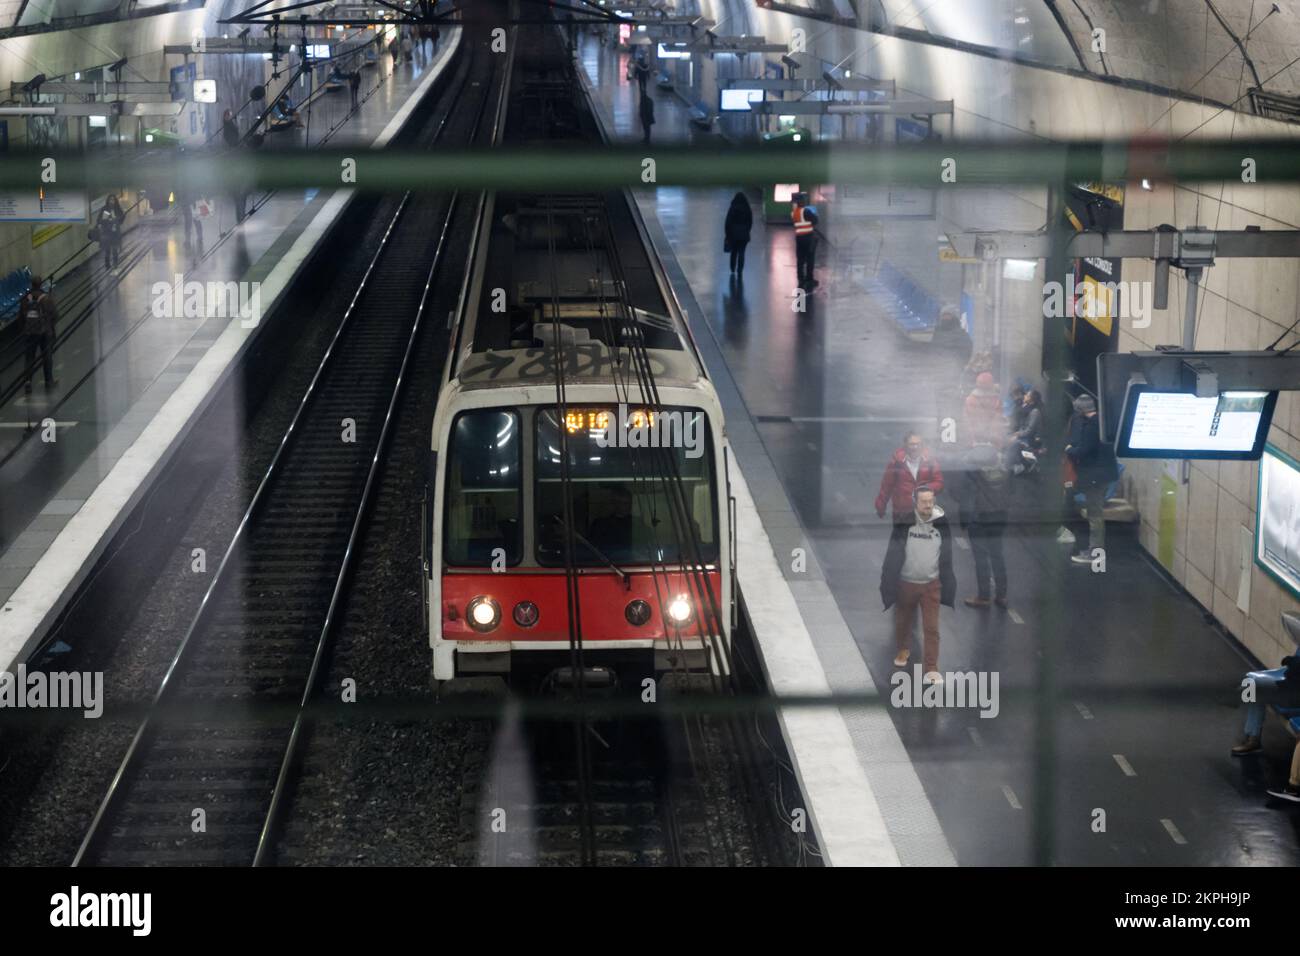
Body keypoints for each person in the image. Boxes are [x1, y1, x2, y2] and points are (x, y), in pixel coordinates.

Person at [880, 486, 956, 683]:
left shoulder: (941, 524)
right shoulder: (905, 522)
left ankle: (931, 667)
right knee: (903, 621)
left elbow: (947, 554)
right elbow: (892, 553)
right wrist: (888, 581)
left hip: (931, 584)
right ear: (915, 501)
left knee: (931, 627)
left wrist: (946, 580)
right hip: (906, 582)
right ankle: (903, 649)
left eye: (931, 501)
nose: (928, 505)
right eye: (924, 501)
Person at [1064, 394, 1117, 565]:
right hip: (1102, 475)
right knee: (1095, 515)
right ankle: (1096, 550)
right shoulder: (1102, 423)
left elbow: (1083, 451)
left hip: (1095, 477)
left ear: (1079, 410)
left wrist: (1070, 449)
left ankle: (1096, 554)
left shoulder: (1091, 426)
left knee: (1095, 515)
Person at [963, 444, 1010, 608]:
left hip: (979, 518)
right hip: (999, 517)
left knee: (981, 557)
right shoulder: (1005, 472)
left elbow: (964, 494)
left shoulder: (974, 474)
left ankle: (984, 596)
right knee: (998, 555)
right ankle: (1002, 595)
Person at [875, 432, 945, 521]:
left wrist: (926, 488)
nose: (915, 447)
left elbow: (939, 482)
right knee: (900, 535)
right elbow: (886, 486)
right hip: (902, 512)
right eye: (912, 444)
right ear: (905, 445)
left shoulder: (930, 461)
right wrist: (880, 506)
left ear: (922, 445)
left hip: (924, 511)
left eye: (918, 444)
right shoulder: (896, 463)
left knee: (923, 535)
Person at [19, 275, 58, 392]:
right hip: (44, 333)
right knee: (47, 356)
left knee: (29, 358)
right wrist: (50, 327)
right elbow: (55, 315)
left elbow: (21, 317)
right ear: (41, 284)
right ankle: (49, 381)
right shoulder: (46, 298)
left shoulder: (26, 298)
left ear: (32, 284)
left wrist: (25, 330)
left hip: (30, 333)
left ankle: (28, 382)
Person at [962, 371, 1005, 448]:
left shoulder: (970, 400)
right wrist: (996, 442)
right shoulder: (996, 400)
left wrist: (971, 441)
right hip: (991, 444)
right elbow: (997, 425)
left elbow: (967, 422)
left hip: (973, 442)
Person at [221, 110, 249, 224]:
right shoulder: (228, 129)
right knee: (239, 198)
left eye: (230, 115)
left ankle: (241, 217)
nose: (230, 116)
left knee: (241, 197)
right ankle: (240, 218)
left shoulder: (231, 126)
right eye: (228, 115)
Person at [791, 191, 818, 288]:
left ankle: (800, 278)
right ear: (802, 202)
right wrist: (814, 214)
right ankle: (809, 279)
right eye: (804, 200)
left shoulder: (793, 213)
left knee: (800, 259)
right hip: (808, 238)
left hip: (799, 238)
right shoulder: (806, 211)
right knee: (810, 259)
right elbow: (815, 220)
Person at [723, 191, 753, 277]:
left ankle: (732, 268)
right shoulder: (747, 208)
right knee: (742, 252)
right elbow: (750, 221)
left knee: (734, 252)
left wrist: (727, 234)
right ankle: (740, 269)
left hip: (733, 235)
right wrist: (747, 230)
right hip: (744, 235)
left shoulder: (733, 208)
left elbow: (728, 222)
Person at [95, 194, 124, 274]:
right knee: (107, 250)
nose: (112, 201)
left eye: (113, 200)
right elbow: (99, 220)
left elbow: (122, 218)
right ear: (108, 201)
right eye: (110, 200)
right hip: (107, 232)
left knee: (115, 250)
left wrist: (117, 220)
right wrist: (107, 220)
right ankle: (107, 265)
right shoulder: (104, 209)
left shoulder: (117, 209)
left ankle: (115, 264)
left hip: (115, 232)